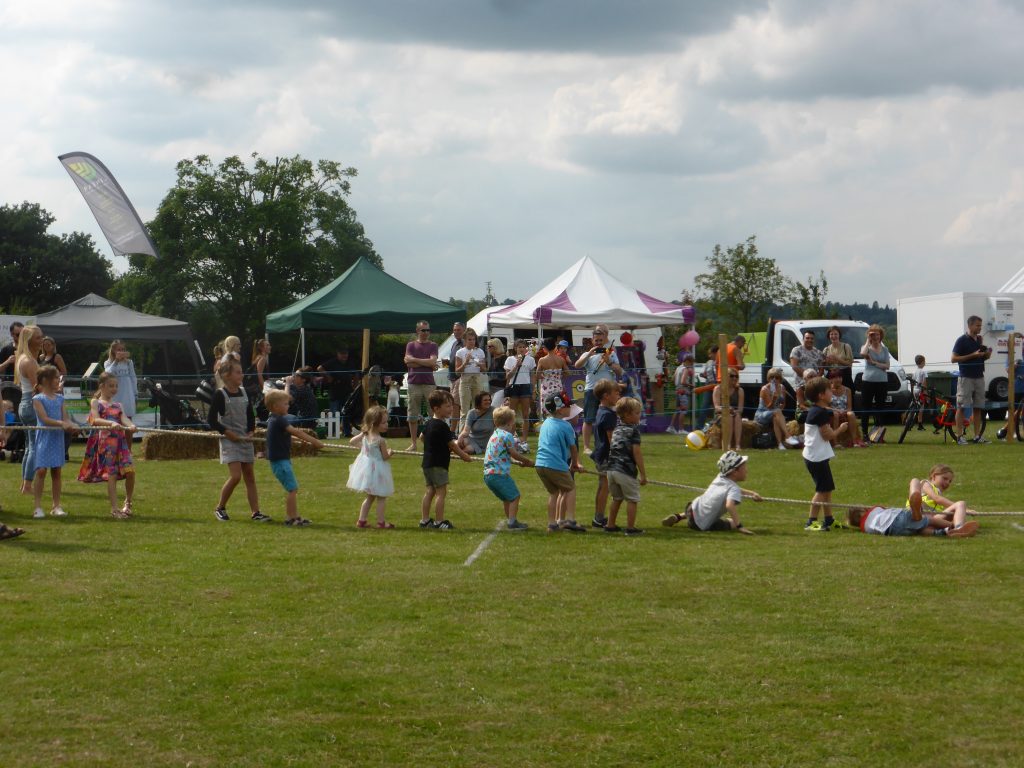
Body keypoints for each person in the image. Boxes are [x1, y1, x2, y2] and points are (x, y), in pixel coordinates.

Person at [208, 359, 270, 523]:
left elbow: (250, 415)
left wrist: (251, 431)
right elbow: (211, 420)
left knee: (250, 476)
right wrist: (227, 433)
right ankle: (220, 507)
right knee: (236, 476)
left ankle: (256, 512)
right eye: (238, 372)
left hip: (244, 439)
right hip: (229, 440)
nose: (241, 375)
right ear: (227, 375)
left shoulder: (244, 392)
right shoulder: (220, 395)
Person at [78, 371, 137, 519]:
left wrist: (131, 426)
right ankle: (114, 509)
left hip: (121, 443)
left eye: (116, 386)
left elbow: (124, 418)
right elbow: (96, 419)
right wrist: (110, 422)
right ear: (102, 386)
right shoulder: (96, 402)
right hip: (106, 444)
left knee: (130, 471)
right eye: (111, 386)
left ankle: (128, 503)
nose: (114, 389)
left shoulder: (118, 405)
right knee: (111, 475)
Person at [264, 388, 324, 527]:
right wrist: (314, 441)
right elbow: (295, 431)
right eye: (285, 404)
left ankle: (295, 516)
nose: (288, 406)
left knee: (293, 489)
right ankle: (291, 518)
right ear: (275, 407)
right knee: (292, 489)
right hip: (280, 462)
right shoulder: (279, 420)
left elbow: (283, 436)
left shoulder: (274, 419)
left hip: (282, 461)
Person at [662, 450, 760, 533]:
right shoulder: (732, 488)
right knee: (732, 522)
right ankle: (686, 519)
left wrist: (752, 494)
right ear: (734, 472)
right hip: (700, 525)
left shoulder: (720, 477)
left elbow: (735, 490)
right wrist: (740, 526)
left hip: (691, 509)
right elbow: (730, 505)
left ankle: (678, 517)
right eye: (744, 468)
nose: (746, 470)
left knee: (702, 508)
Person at [846, 478, 979, 538]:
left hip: (893, 531)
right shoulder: (874, 509)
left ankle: (945, 532)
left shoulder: (866, 529)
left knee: (917, 529)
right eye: (945, 478)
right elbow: (885, 508)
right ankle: (956, 527)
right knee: (915, 482)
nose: (947, 483)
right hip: (902, 517)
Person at [419, 389, 473, 530]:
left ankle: (424, 520)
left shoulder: (430, 423)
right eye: (447, 406)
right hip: (439, 464)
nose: (451, 409)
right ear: (436, 408)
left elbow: (421, 437)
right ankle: (439, 521)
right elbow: (452, 445)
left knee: (430, 491)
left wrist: (433, 445)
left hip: (427, 463)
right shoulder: (442, 426)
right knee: (441, 493)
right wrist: (464, 456)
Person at [535, 392, 585, 533]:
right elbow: (573, 448)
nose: (570, 408)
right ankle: (570, 520)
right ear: (560, 409)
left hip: (540, 464)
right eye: (568, 405)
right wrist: (574, 464)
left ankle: (552, 524)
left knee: (553, 493)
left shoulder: (545, 424)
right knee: (570, 488)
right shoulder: (566, 426)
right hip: (555, 464)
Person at [31, 365, 77, 518]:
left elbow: (65, 418)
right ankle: (37, 507)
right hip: (44, 437)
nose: (59, 380)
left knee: (56, 472)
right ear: (45, 380)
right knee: (41, 470)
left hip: (57, 438)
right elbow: (44, 419)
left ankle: (56, 506)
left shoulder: (61, 399)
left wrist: (71, 425)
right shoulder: (37, 399)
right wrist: (62, 424)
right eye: (56, 377)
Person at [802, 376, 847, 531]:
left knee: (827, 489)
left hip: (818, 456)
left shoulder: (818, 411)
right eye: (828, 390)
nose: (831, 392)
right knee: (821, 490)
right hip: (816, 458)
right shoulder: (819, 413)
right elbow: (827, 435)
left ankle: (829, 519)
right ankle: (811, 521)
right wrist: (840, 429)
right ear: (821, 395)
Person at [483, 405, 533, 531]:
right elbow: (514, 453)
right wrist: (526, 461)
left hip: (489, 475)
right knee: (515, 496)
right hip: (499, 474)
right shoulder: (507, 435)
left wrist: (517, 462)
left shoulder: (494, 434)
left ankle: (511, 520)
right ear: (511, 423)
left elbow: (501, 454)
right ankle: (512, 522)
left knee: (507, 498)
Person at [344, 404, 395, 529]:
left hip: (368, 471)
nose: (386, 424)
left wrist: (363, 444)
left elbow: (352, 442)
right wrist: (390, 452)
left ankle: (362, 520)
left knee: (370, 497)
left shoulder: (365, 435)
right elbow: (384, 457)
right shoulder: (380, 440)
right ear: (374, 423)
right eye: (383, 422)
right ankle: (381, 522)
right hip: (378, 471)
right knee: (382, 497)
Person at [602, 397, 647, 536]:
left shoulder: (616, 430)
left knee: (617, 498)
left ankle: (610, 525)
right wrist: (643, 474)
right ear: (628, 415)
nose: (639, 415)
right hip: (625, 471)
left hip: (611, 470)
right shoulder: (634, 431)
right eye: (637, 413)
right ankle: (630, 528)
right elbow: (637, 453)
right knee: (632, 499)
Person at [575, 324, 623, 453]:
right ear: (592, 341)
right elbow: (577, 365)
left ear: (605, 339)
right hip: (591, 389)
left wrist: (609, 362)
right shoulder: (587, 354)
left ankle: (609, 444)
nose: (599, 343)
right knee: (589, 419)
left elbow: (619, 371)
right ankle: (586, 447)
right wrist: (589, 354)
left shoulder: (611, 353)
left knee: (609, 417)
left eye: (601, 340)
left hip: (608, 391)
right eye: (596, 340)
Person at [951, 315, 992, 445]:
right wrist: (973, 355)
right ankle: (959, 437)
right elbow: (953, 359)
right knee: (962, 407)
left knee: (978, 407)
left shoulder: (980, 339)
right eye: (977, 325)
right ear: (970, 326)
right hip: (966, 378)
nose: (980, 328)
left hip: (979, 376)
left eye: (981, 325)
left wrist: (986, 356)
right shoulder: (961, 340)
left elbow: (980, 358)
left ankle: (977, 436)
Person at [15, 324, 43, 492]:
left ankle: (24, 483)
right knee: (34, 446)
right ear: (29, 340)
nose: (42, 340)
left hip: (24, 403)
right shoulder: (30, 361)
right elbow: (36, 388)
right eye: (38, 337)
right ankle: (28, 485)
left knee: (29, 445)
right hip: (31, 403)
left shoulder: (23, 358)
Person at [588, 378, 620, 529]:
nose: (618, 395)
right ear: (606, 396)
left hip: (600, 454)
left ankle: (598, 516)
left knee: (603, 486)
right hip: (606, 456)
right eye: (616, 392)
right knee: (604, 486)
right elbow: (612, 438)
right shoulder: (608, 415)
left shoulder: (601, 411)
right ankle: (598, 517)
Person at [404, 320, 438, 452]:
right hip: (413, 383)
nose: (426, 333)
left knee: (433, 414)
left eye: (428, 330)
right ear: (417, 331)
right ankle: (413, 444)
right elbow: (409, 364)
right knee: (412, 414)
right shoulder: (411, 345)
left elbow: (433, 361)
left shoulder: (433, 345)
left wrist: (415, 360)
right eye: (424, 330)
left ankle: (431, 442)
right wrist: (428, 363)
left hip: (429, 383)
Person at [860, 324, 892, 442]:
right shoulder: (866, 347)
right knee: (866, 408)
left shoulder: (885, 349)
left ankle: (878, 435)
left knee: (880, 408)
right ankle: (865, 434)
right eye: (873, 334)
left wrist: (874, 363)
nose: (875, 337)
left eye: (877, 334)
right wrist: (868, 340)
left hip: (882, 381)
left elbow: (887, 366)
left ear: (881, 335)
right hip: (868, 381)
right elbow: (863, 353)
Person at [504, 339, 537, 451]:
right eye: (519, 347)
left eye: (523, 347)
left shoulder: (531, 360)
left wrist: (533, 390)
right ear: (515, 348)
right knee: (511, 414)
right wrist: (516, 365)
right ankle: (512, 438)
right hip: (514, 387)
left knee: (525, 415)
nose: (522, 349)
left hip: (525, 387)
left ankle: (524, 440)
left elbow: (532, 376)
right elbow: (508, 376)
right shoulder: (509, 359)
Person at [455, 328, 487, 433]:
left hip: (477, 378)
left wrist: (480, 365)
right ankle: (461, 435)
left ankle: (476, 433)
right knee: (464, 409)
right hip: (465, 379)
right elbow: (457, 372)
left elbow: (484, 370)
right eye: (469, 339)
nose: (472, 341)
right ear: (464, 340)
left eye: (473, 339)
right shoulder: (460, 352)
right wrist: (465, 362)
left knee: (477, 407)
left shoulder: (480, 351)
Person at [317, 348, 354, 436]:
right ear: (337, 354)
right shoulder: (332, 362)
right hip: (335, 391)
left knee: (347, 412)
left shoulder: (350, 362)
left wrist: (355, 386)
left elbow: (355, 374)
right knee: (334, 413)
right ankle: (333, 432)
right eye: (342, 353)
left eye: (346, 353)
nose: (344, 355)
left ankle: (347, 432)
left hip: (347, 391)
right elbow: (319, 368)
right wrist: (328, 377)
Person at [753, 367, 789, 451]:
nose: (774, 380)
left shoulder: (782, 387)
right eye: (772, 377)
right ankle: (787, 435)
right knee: (776, 413)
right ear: (768, 379)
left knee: (776, 417)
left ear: (780, 379)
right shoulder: (764, 389)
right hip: (763, 413)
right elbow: (769, 407)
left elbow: (783, 403)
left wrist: (780, 410)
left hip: (775, 413)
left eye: (777, 378)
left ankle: (780, 444)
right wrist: (773, 399)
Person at [536, 337, 571, 420]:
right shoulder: (561, 359)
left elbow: (537, 375)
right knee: (558, 410)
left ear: (545, 348)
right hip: (558, 387)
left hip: (546, 387)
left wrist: (545, 377)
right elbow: (568, 373)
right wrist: (560, 376)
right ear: (555, 347)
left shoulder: (542, 360)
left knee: (547, 410)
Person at [829, 371, 865, 448]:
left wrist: (844, 411)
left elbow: (849, 407)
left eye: (840, 377)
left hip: (844, 411)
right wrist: (836, 410)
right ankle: (835, 442)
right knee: (835, 415)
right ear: (831, 380)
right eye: (835, 377)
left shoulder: (847, 390)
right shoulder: (827, 390)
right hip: (832, 412)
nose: (838, 379)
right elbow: (825, 406)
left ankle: (854, 441)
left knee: (851, 414)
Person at [104, 340, 138, 419]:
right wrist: (116, 360)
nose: (122, 351)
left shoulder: (129, 362)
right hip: (115, 393)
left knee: (128, 417)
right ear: (113, 350)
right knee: (115, 416)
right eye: (119, 350)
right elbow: (108, 373)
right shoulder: (108, 362)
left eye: (123, 349)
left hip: (127, 393)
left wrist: (135, 394)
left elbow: (133, 378)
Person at [712, 370, 745, 451]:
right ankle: (728, 444)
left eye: (736, 376)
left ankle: (737, 445)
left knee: (737, 417)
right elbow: (716, 407)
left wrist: (734, 411)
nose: (734, 378)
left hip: (734, 413)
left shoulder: (740, 390)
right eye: (732, 376)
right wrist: (727, 409)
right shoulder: (718, 389)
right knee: (729, 417)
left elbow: (740, 409)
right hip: (720, 415)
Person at [669, 354, 694, 435]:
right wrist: (691, 385)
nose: (691, 365)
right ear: (688, 361)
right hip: (683, 391)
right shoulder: (685, 369)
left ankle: (671, 427)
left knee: (677, 409)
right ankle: (681, 429)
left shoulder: (678, 368)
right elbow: (683, 381)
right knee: (683, 410)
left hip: (677, 390)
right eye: (691, 363)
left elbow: (673, 379)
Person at [912, 355, 929, 430]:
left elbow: (913, 382)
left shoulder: (914, 371)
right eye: (924, 361)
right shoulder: (923, 371)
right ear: (922, 362)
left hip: (914, 390)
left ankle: (910, 422)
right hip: (920, 391)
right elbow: (924, 383)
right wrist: (926, 393)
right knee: (921, 408)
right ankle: (920, 424)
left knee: (916, 406)